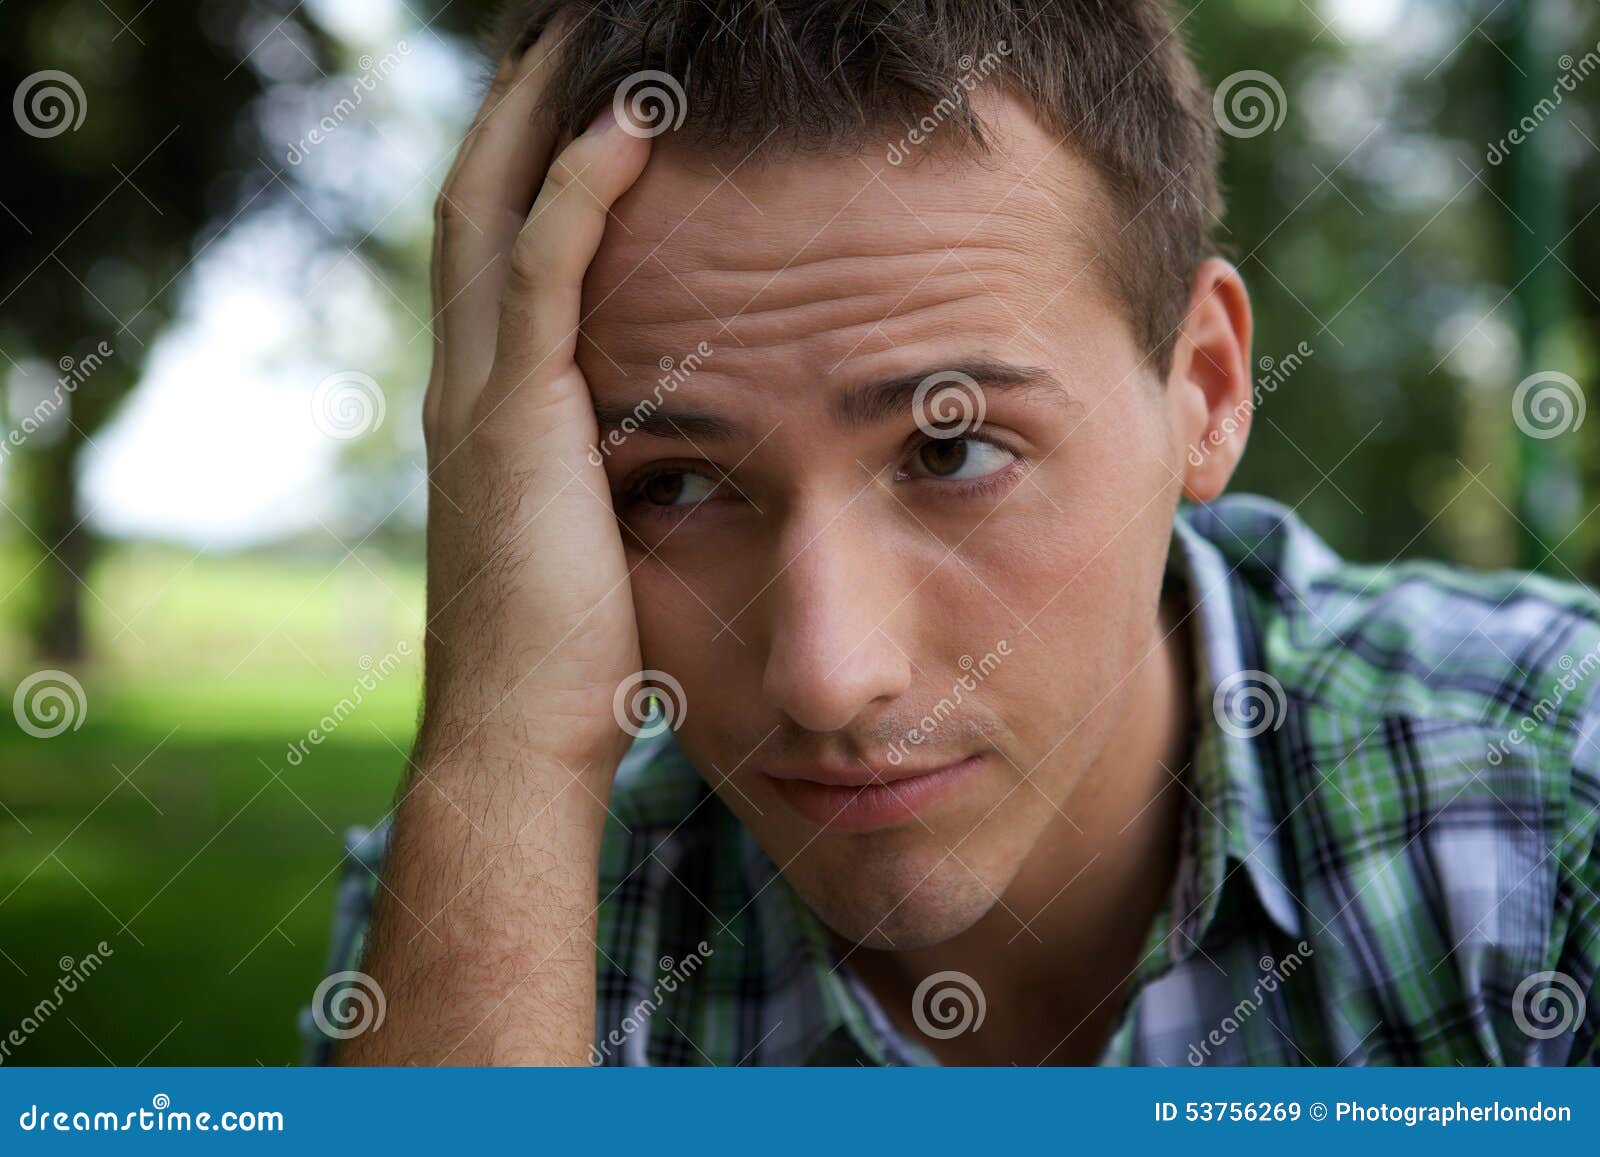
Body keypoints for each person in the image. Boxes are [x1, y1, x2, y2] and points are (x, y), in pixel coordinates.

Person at [321, 0, 1600, 1066]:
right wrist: (504, 751)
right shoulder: (497, 892)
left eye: (951, 449)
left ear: (1202, 390)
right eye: (676, 484)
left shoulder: (1554, 797)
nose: (825, 672)